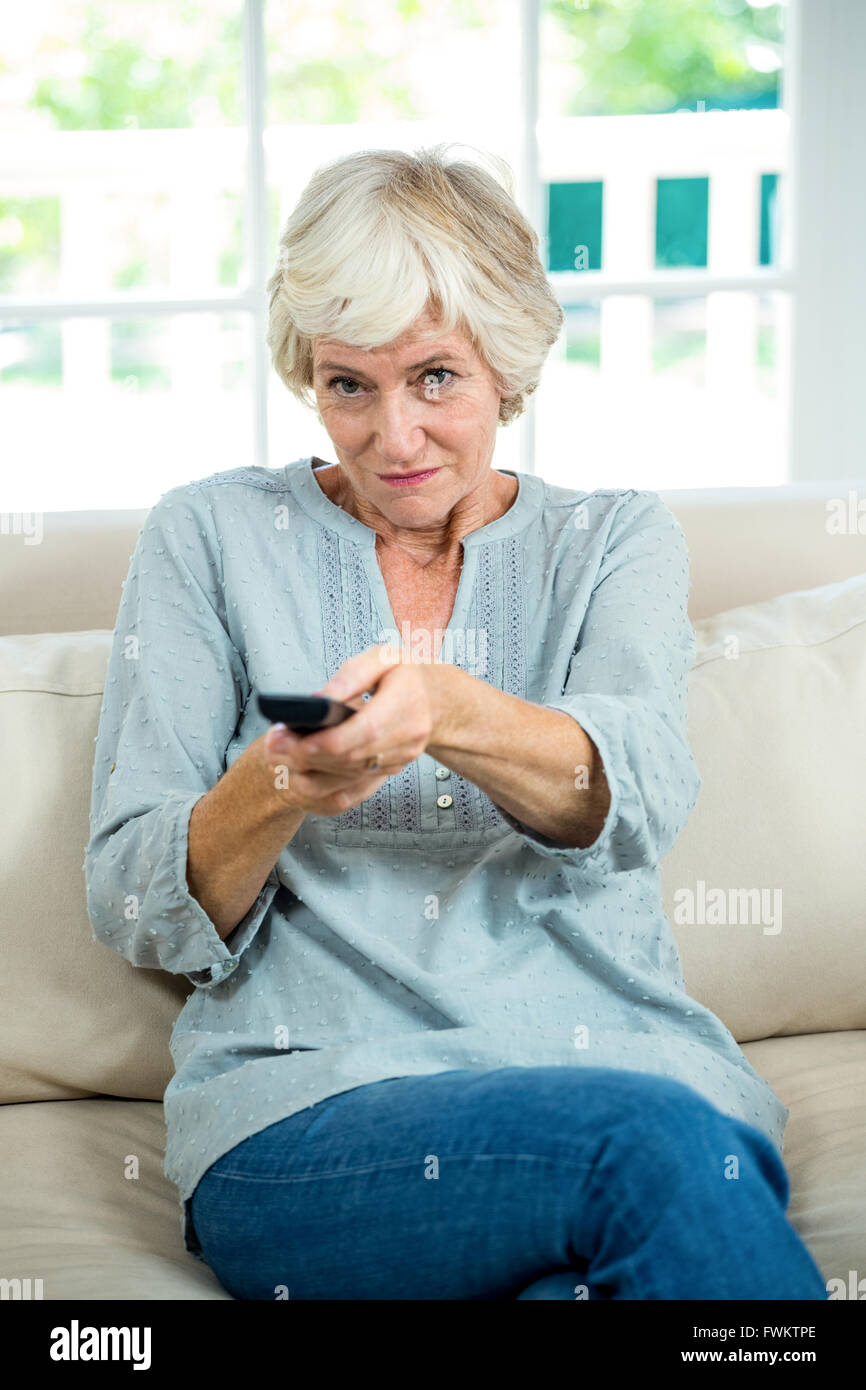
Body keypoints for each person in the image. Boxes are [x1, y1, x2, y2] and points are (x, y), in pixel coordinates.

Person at [84, 144, 826, 1301]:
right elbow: (132, 897)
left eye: (434, 376)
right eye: (348, 384)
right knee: (653, 1152)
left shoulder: (613, 539)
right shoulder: (209, 536)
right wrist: (276, 784)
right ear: (306, 375)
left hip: (622, 1074)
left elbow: (632, 792)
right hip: (314, 1117)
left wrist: (448, 710)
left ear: (507, 370)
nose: (391, 437)